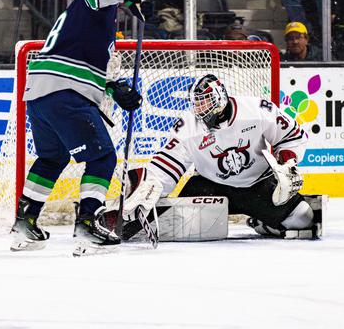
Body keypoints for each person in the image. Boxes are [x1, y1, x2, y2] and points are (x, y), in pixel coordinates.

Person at [11, 0, 146, 254]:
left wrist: (113, 88)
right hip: (64, 93)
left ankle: (25, 222)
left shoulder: (90, 21)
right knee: (103, 156)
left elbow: (81, 64)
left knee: (52, 157)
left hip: (40, 93)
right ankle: (88, 223)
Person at [121, 74, 319, 240]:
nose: (200, 109)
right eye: (197, 104)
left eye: (205, 101)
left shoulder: (257, 110)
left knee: (303, 218)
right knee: (173, 224)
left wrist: (287, 162)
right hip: (210, 188)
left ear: (220, 97)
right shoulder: (188, 126)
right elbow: (169, 164)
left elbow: (292, 136)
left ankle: (261, 223)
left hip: (258, 185)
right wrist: (147, 185)